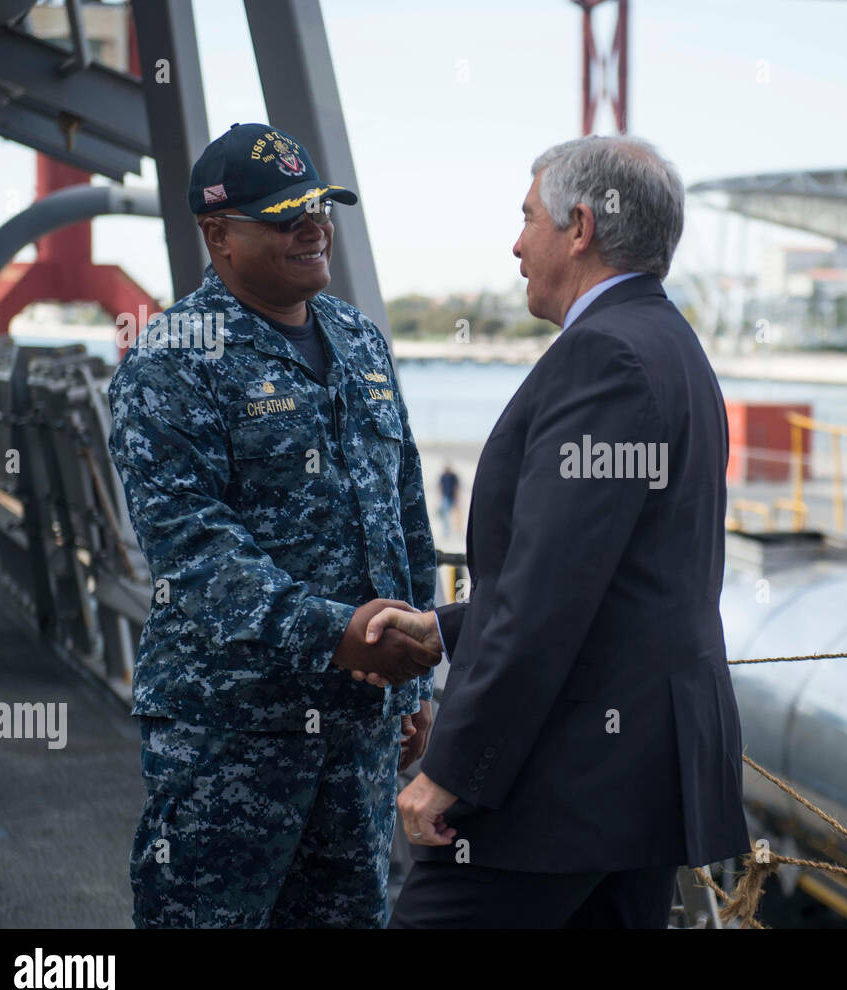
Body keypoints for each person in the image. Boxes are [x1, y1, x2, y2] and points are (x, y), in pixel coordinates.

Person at [355, 135, 751, 928]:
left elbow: (546, 597)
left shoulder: (603, 356)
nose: (515, 242)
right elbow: (608, 578)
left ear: (579, 226)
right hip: (636, 779)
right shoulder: (671, 346)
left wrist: (454, 770)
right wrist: (444, 629)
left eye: (527, 216)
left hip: (557, 788)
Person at [108, 123, 440, 928]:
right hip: (231, 739)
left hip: (358, 734)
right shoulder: (170, 364)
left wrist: (417, 679)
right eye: (287, 214)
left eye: (320, 207)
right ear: (218, 235)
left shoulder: (359, 341)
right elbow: (194, 550)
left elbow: (404, 517)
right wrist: (337, 633)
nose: (313, 226)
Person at [437, 462, 460, 538]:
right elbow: (440, 487)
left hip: (452, 497)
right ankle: (446, 532)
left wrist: (457, 498)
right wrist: (439, 498)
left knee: (455, 515)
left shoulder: (453, 476)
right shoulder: (443, 476)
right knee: (445, 516)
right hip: (445, 498)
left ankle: (457, 531)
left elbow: (456, 488)